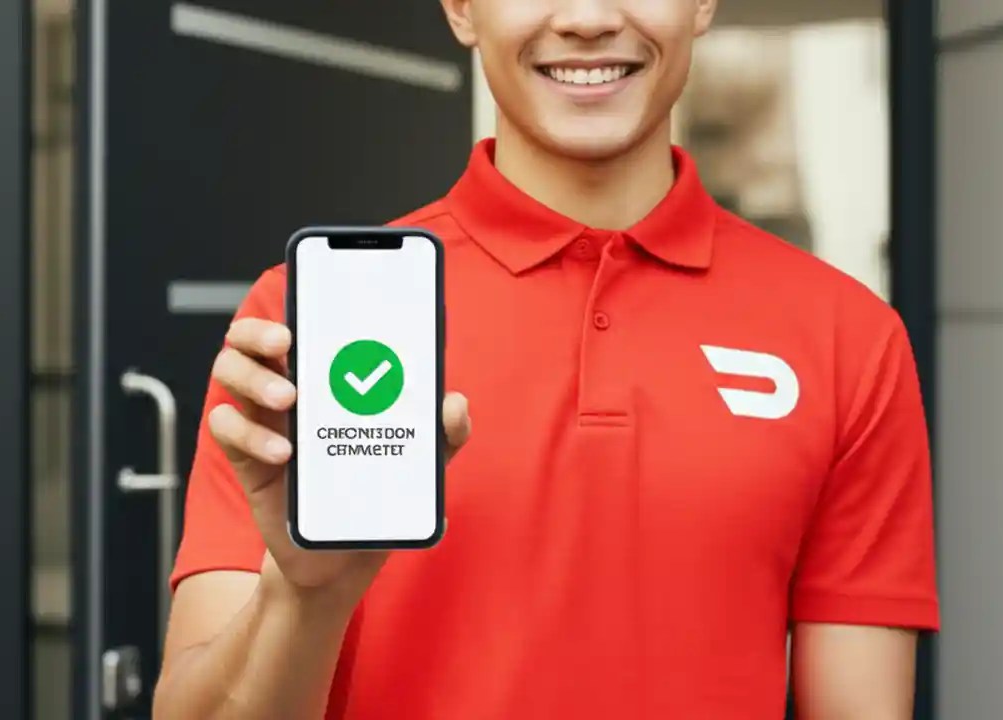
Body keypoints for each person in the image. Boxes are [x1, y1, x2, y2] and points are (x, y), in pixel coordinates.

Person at [153, 0, 939, 718]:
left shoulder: (846, 337)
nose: (588, 18)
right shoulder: (302, 327)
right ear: (462, 9)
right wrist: (303, 598)